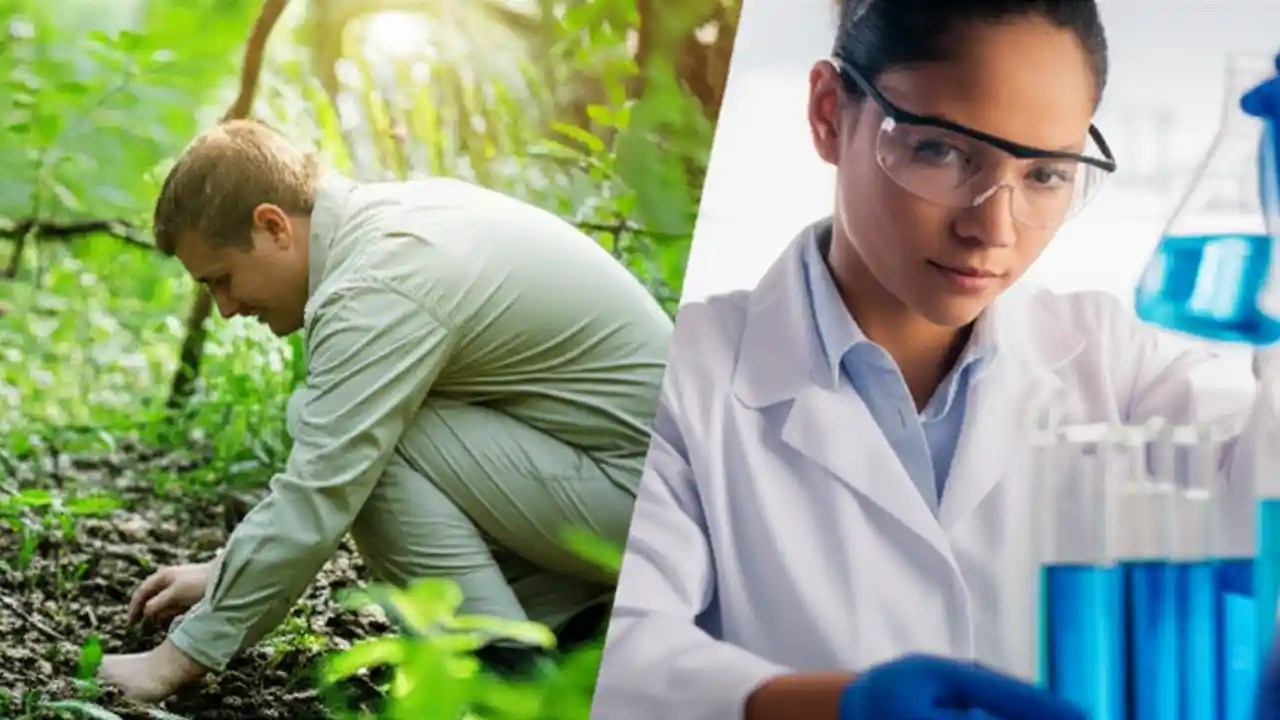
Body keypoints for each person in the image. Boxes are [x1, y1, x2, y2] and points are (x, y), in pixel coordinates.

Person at [589, 2, 1280, 719]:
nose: (992, 227)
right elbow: (619, 648)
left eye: (1044, 174)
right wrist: (839, 708)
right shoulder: (681, 373)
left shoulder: (1120, 363)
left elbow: (1258, 518)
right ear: (830, 113)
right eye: (942, 152)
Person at [95, 119, 673, 702]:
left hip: (654, 512)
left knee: (370, 441)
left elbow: (320, 487)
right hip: (644, 495)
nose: (223, 309)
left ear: (272, 226)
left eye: (222, 280)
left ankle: (502, 674)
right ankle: (564, 639)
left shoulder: (376, 284)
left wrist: (174, 661)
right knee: (366, 425)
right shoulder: (388, 227)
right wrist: (224, 573)